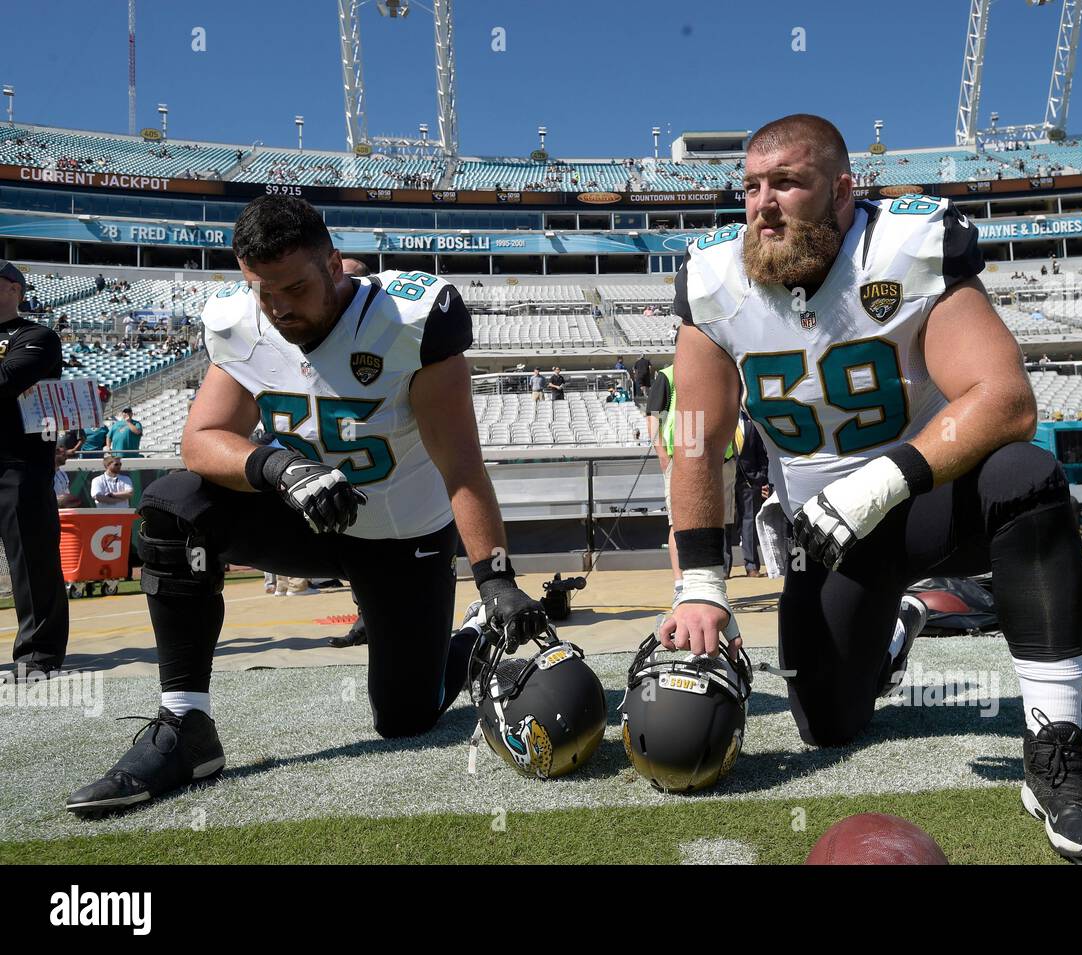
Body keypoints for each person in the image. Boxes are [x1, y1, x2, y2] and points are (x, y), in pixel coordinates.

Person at [658, 114, 1082, 863]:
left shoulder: (906, 247)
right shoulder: (715, 277)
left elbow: (1006, 399)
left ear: (842, 190)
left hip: (930, 500)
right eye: (751, 186)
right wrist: (700, 585)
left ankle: (1057, 751)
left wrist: (880, 483)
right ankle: (900, 621)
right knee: (827, 724)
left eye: (787, 183)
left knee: (1025, 472)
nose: (763, 205)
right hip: (828, 535)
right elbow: (695, 436)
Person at [65, 195, 549, 816]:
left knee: (406, 718)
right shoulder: (241, 321)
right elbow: (201, 439)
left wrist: (495, 579)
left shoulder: (409, 320)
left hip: (401, 534)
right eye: (263, 291)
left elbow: (462, 467)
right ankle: (186, 725)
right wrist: (278, 466)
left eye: (294, 287)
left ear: (334, 265)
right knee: (174, 504)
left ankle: (471, 637)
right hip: (310, 514)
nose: (278, 308)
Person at [0, 258, 69, 678]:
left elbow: (7, 380)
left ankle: (38, 655)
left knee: (31, 562)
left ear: (14, 288)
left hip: (18, 465)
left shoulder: (36, 336)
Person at [646, 361, 739, 595]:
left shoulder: (720, 371)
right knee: (678, 522)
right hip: (683, 459)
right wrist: (662, 454)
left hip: (721, 459)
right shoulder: (668, 375)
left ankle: (713, 582)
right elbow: (653, 417)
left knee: (718, 523)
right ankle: (681, 584)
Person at [734, 412, 770, 577]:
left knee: (749, 521)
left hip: (749, 481)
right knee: (725, 523)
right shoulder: (721, 417)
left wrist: (761, 477)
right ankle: (724, 568)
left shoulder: (751, 421)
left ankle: (751, 566)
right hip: (725, 476)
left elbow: (760, 452)